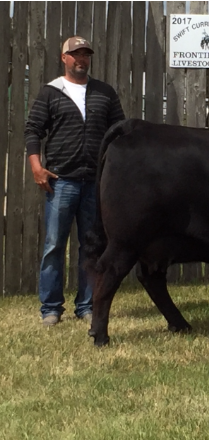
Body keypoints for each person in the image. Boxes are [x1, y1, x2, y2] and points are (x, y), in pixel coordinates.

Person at [25, 36, 125, 327]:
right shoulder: (51, 92)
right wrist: (36, 166)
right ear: (64, 58)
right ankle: (51, 308)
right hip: (61, 181)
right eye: (75, 54)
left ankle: (87, 305)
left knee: (92, 246)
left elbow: (120, 132)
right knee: (54, 245)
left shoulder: (104, 93)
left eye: (85, 55)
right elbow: (33, 130)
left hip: (95, 182)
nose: (81, 59)